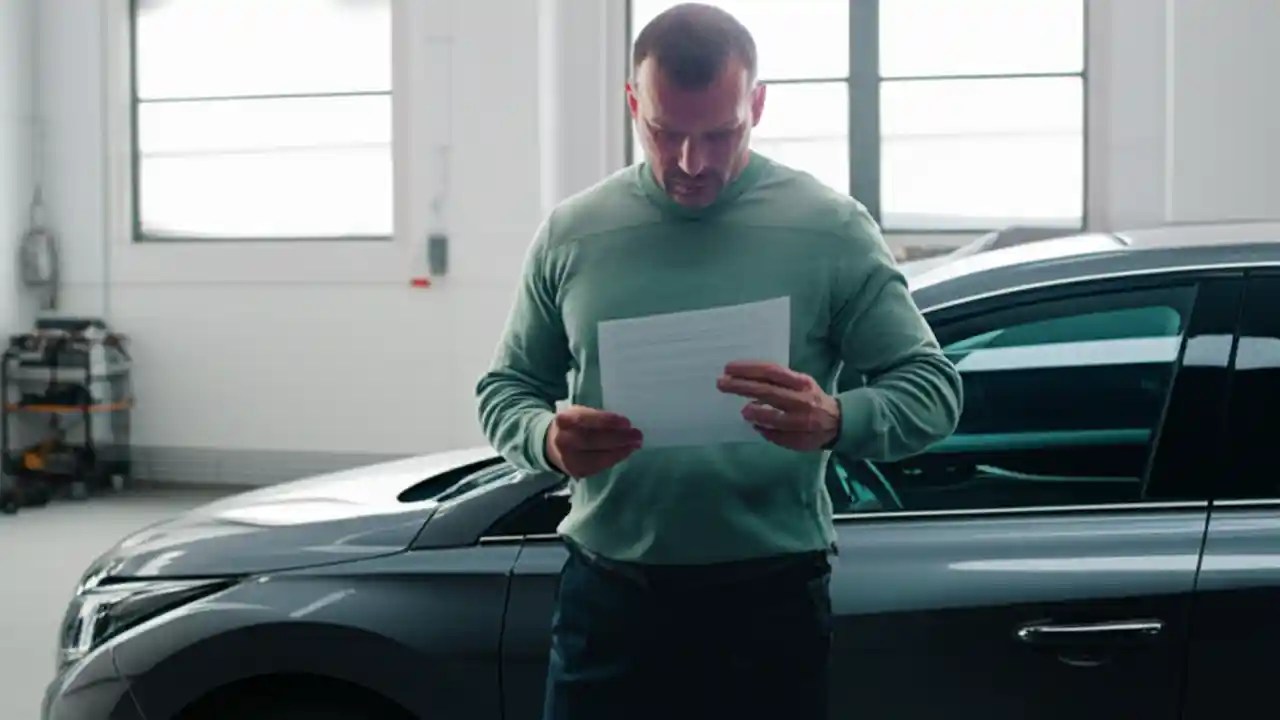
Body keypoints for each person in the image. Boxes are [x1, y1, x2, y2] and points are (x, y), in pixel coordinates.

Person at [475, 4, 962, 718]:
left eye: (720, 133)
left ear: (757, 105)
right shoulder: (575, 233)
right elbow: (506, 389)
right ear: (632, 102)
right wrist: (544, 438)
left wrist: (835, 419)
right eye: (664, 133)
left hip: (767, 603)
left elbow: (933, 392)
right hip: (609, 600)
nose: (690, 164)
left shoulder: (828, 228)